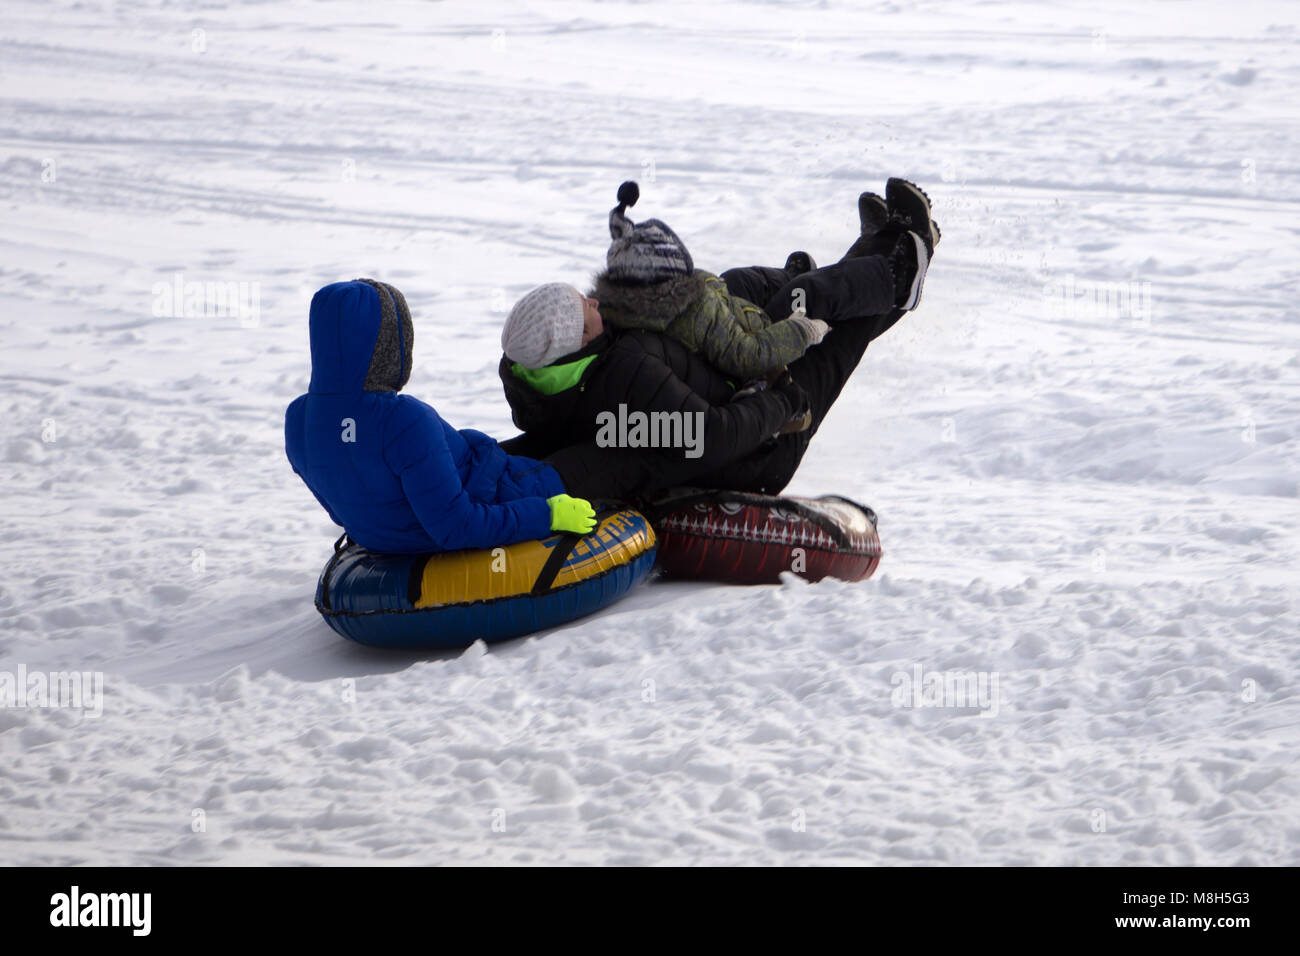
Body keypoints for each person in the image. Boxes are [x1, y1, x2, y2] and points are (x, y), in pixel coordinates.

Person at [498, 179, 940, 502]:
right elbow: (709, 437)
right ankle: (899, 274)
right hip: (761, 441)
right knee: (816, 324)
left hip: (724, 381)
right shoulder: (622, 376)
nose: (594, 304)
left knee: (737, 287)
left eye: (583, 298)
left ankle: (874, 250)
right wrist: (784, 402)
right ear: (574, 344)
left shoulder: (537, 379)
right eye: (584, 312)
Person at [285, 279, 598, 554]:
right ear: (391, 346)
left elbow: (344, 511)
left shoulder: (298, 422)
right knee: (596, 459)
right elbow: (457, 526)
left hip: (409, 523)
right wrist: (548, 515)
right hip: (503, 492)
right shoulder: (401, 420)